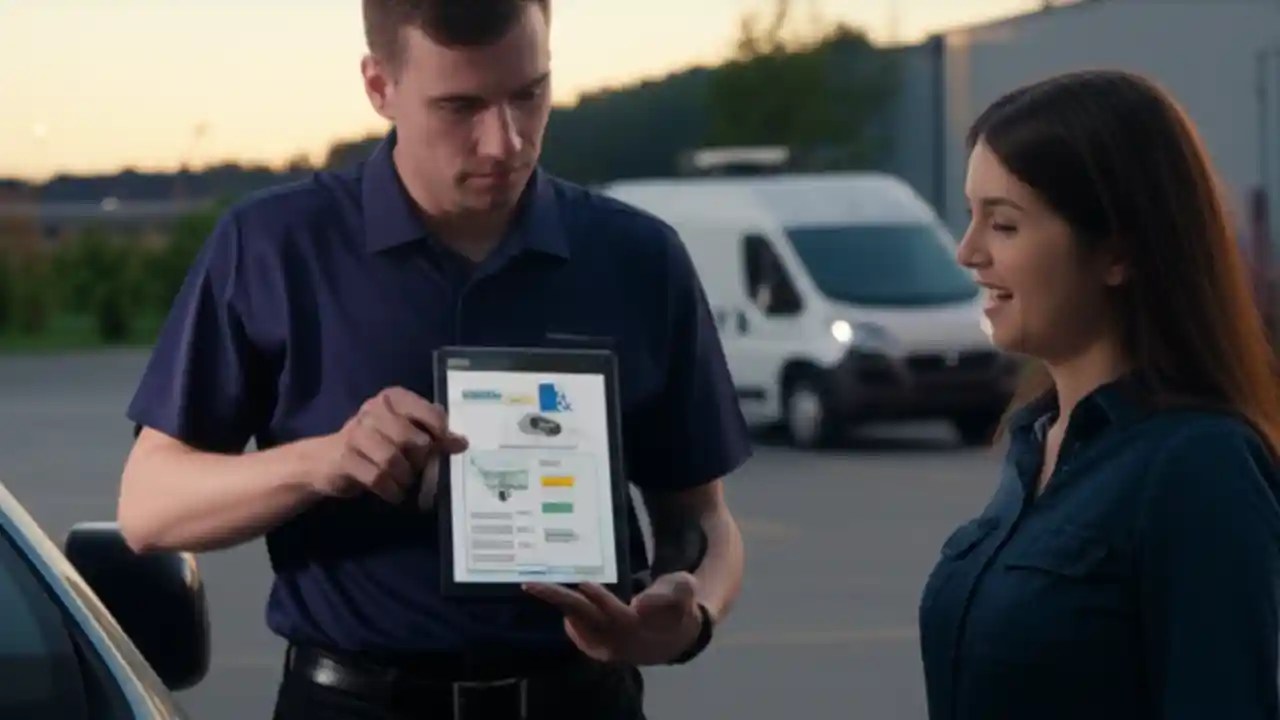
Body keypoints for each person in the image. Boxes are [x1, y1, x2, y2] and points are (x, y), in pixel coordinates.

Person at [116, 1, 752, 717]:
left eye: (529, 94)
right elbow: (148, 507)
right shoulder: (274, 246)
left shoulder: (639, 257)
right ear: (378, 86)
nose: (504, 142)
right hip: (353, 702)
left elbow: (704, 521)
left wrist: (692, 610)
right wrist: (322, 461)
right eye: (461, 106)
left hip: (582, 701)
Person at [918, 69, 1280, 720]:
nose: (968, 252)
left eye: (1003, 224)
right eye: (971, 217)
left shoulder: (1201, 466)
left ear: (1118, 252)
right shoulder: (1035, 443)